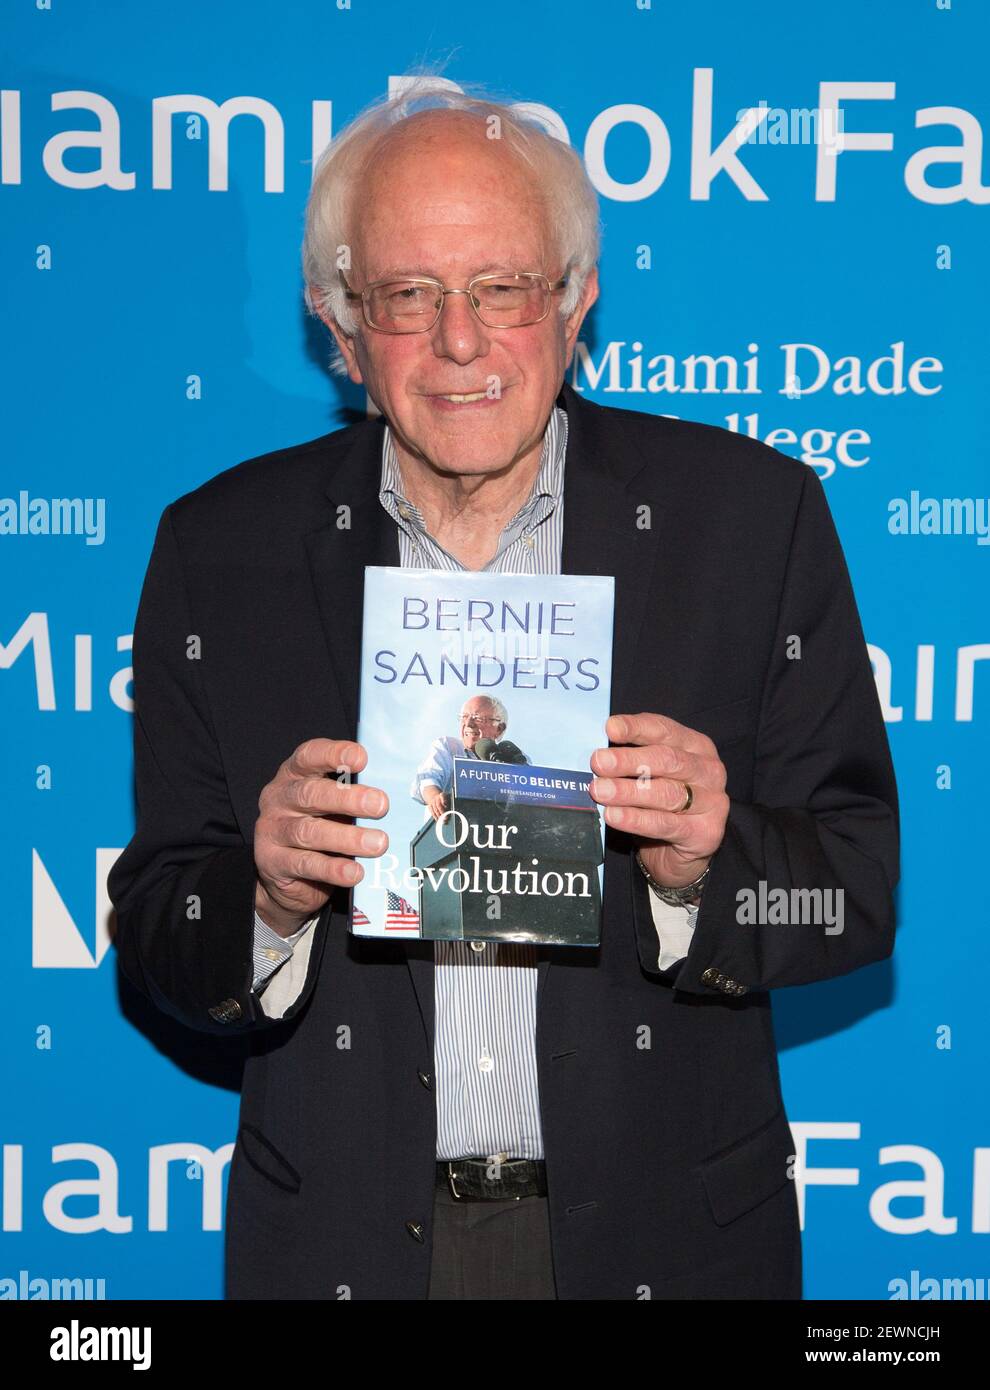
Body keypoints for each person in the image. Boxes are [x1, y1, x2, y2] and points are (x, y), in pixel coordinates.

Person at [107, 81, 899, 1301]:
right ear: (340, 325)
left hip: (668, 1244)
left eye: (503, 288)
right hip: (343, 1250)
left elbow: (854, 894)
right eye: (408, 296)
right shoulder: (220, 552)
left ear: (575, 300)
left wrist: (707, 868)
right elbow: (159, 931)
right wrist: (261, 894)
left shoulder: (751, 522)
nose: (460, 341)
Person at [411, 694, 528, 821]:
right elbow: (427, 779)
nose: (468, 723)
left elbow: (533, 794)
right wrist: (435, 798)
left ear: (499, 729)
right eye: (464, 717)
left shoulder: (513, 756)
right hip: (449, 831)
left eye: (478, 718)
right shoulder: (447, 747)